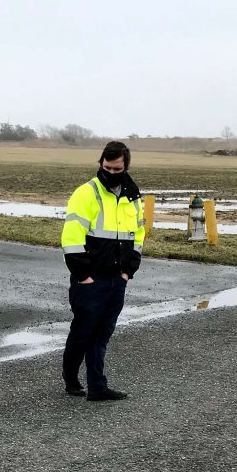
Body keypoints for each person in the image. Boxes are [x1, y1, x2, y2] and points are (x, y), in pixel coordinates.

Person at [60, 141, 145, 401]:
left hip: (116, 279)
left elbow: (138, 234)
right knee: (83, 331)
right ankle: (71, 378)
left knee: (102, 334)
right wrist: (83, 276)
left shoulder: (133, 196)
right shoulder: (86, 193)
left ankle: (97, 387)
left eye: (117, 168)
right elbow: (71, 237)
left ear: (125, 166)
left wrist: (128, 271)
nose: (111, 172)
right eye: (107, 167)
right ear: (100, 164)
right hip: (90, 280)